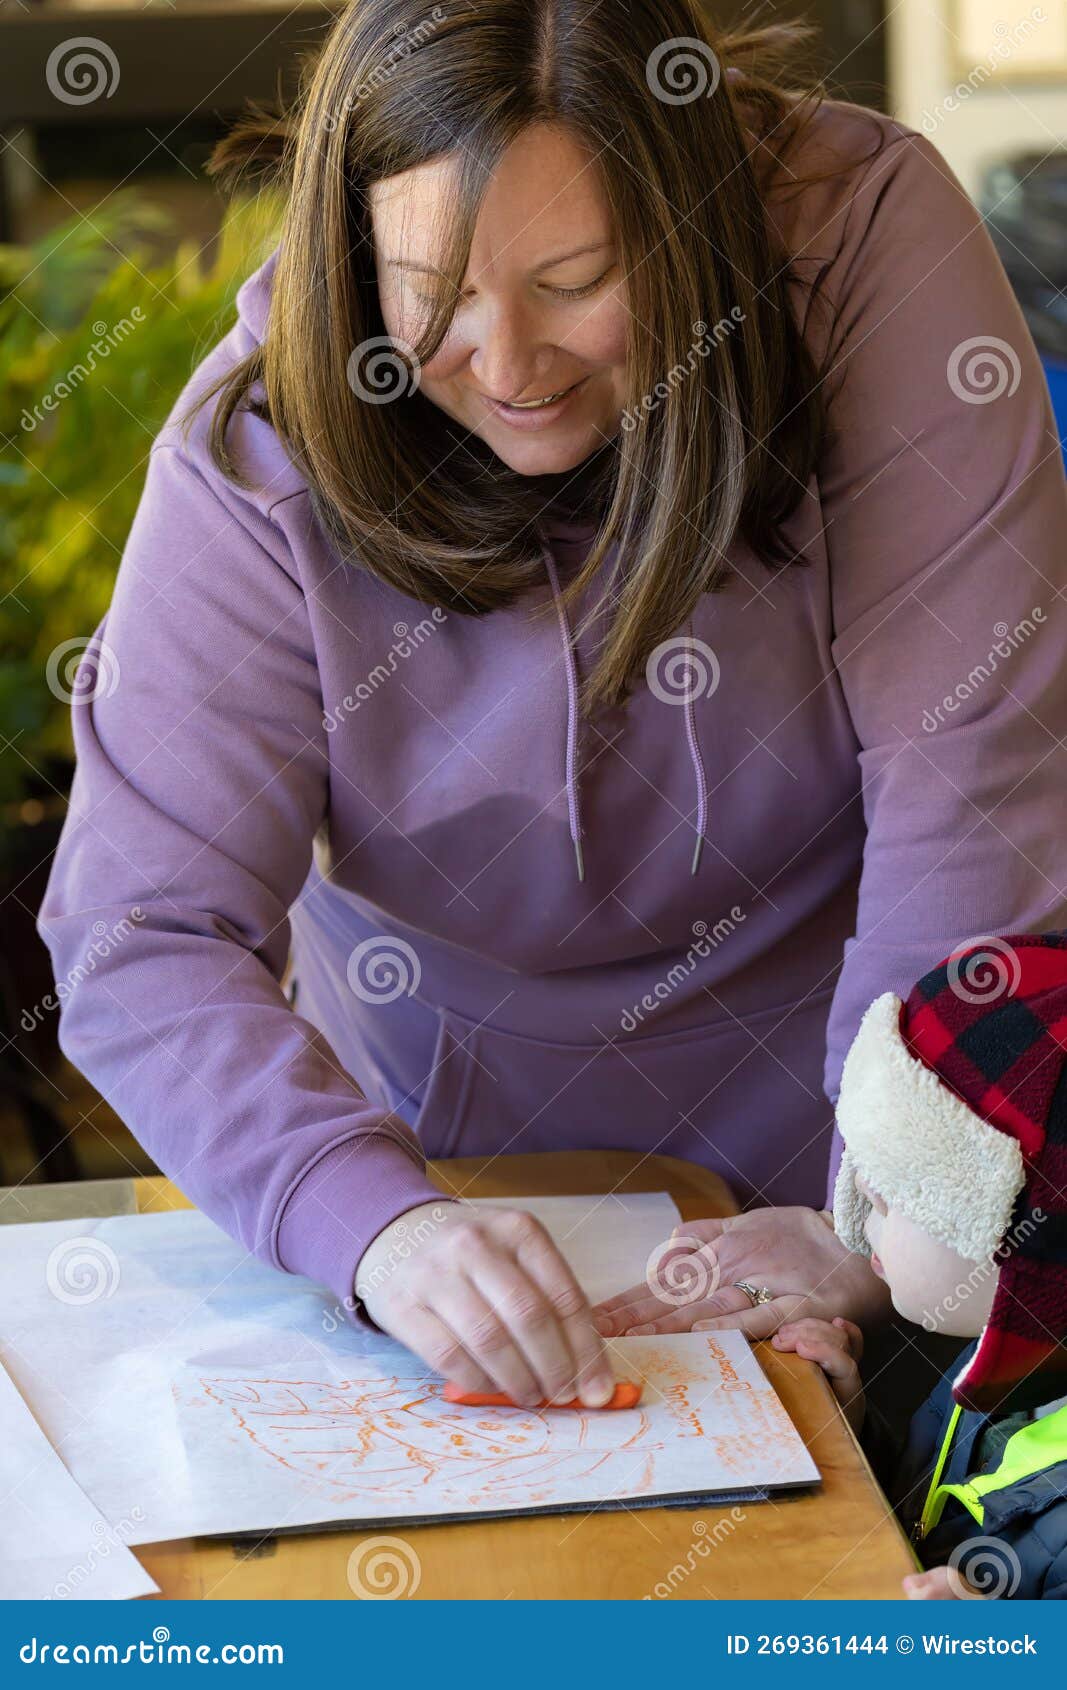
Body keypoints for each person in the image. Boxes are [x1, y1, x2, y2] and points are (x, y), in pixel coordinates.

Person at [36, 0, 1067, 1408]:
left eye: (574, 277)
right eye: (434, 293)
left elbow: (971, 766)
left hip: (857, 1140)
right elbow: (135, 933)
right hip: (433, 1174)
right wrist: (375, 1224)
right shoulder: (256, 450)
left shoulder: (864, 243)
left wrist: (875, 1214)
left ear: (691, 224)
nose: (508, 366)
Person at [771, 934, 1067, 1600]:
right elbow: (925, 1514)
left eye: (903, 1187)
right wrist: (850, 1427)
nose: (859, 1194)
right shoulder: (992, 1365)